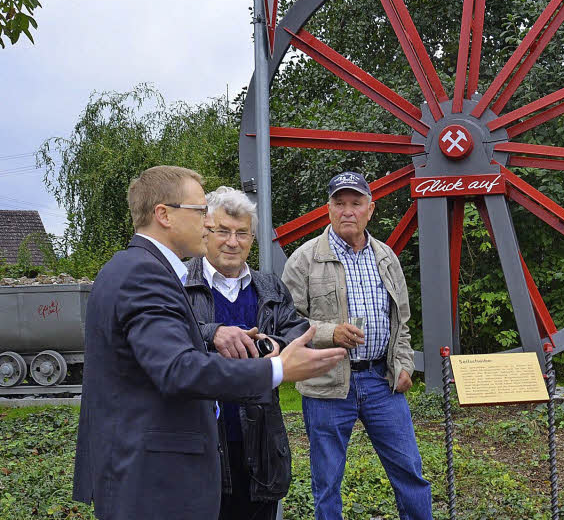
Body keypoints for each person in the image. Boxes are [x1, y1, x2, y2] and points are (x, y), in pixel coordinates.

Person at [73, 166, 347, 520]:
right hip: (150, 479)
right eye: (200, 211)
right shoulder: (144, 274)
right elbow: (177, 368)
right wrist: (275, 368)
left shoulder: (135, 268)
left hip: (153, 469)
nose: (207, 223)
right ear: (164, 214)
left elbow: (160, 361)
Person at [282, 171, 431, 520]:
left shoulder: (387, 258)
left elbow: (402, 321)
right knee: (327, 481)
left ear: (370, 209)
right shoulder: (304, 260)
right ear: (329, 209)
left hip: (382, 382)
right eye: (340, 203)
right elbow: (285, 323)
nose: (348, 210)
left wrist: (404, 364)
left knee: (410, 472)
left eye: (356, 203)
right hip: (327, 385)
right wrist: (328, 333)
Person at [183, 186, 310, 520]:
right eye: (222, 231)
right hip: (202, 437)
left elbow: (296, 329)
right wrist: (213, 333)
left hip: (261, 437)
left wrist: (277, 345)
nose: (232, 241)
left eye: (242, 233)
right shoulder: (179, 284)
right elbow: (166, 339)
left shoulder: (269, 287)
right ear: (204, 232)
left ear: (252, 239)